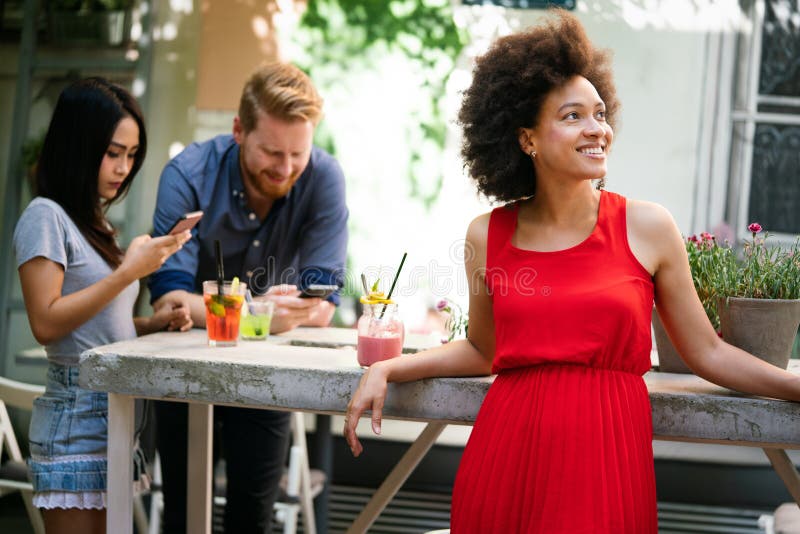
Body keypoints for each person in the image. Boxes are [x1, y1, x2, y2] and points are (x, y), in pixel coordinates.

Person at [343, 11, 800, 533]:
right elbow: (482, 349)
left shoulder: (648, 227)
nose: (596, 129)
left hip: (606, 462)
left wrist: (793, 388)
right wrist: (388, 367)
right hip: (507, 455)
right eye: (572, 116)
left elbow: (707, 351)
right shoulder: (486, 235)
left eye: (600, 113)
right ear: (527, 139)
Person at [148, 61, 348, 533]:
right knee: (184, 517)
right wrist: (258, 313)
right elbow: (169, 304)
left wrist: (299, 308)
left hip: (268, 381)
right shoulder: (188, 175)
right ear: (239, 130)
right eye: (271, 152)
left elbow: (322, 304)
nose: (285, 169)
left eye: (298, 154)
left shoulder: (323, 179)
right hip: (185, 372)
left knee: (252, 522)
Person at [12, 77, 192, 534]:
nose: (123, 168)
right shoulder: (44, 216)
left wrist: (151, 324)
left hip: (112, 416)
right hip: (76, 418)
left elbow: (93, 322)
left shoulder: (93, 222)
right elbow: (46, 322)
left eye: (131, 156)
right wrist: (127, 272)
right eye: (113, 153)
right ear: (78, 145)